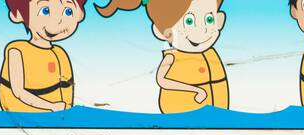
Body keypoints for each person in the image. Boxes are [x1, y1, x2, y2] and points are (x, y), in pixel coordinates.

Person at [97, 0, 228, 113]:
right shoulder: (173, 57)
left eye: (209, 19)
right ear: (162, 33)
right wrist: (196, 90)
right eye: (189, 21)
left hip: (218, 113)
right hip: (183, 114)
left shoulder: (210, 53)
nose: (203, 30)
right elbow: (162, 80)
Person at [0, 1, 86, 112]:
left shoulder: (60, 53)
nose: (59, 20)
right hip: (24, 113)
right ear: (17, 15)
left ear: (79, 15)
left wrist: (64, 110)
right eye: (45, 11)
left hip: (57, 115)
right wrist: (51, 106)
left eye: (68, 12)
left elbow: (67, 89)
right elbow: (18, 92)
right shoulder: (16, 51)